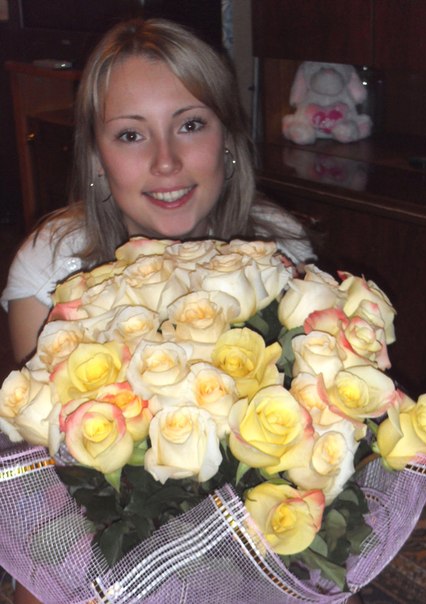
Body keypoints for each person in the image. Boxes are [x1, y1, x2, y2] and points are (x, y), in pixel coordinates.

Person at [1, 18, 318, 604]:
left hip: (246, 545)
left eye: (190, 125)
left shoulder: (280, 254)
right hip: (100, 549)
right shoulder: (51, 269)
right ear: (97, 156)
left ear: (228, 137)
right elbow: (50, 497)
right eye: (130, 135)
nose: (166, 162)